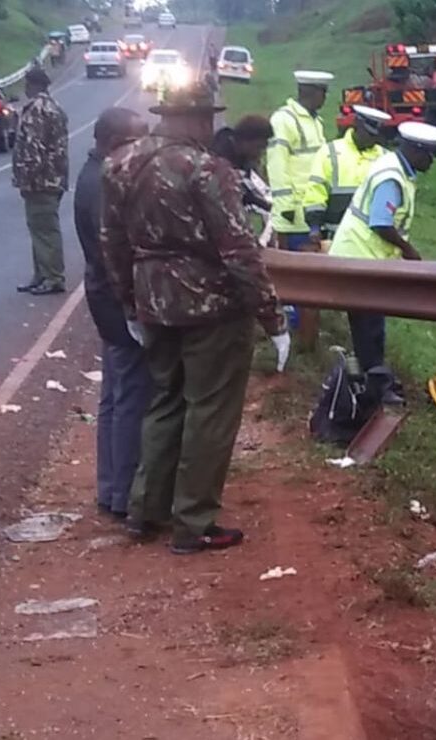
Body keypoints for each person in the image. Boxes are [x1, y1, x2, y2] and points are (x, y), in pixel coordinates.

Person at [101, 82, 291, 554]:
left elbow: (113, 242)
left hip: (153, 302)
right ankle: (194, 522)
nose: (212, 126)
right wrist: (272, 317)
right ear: (196, 119)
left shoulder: (119, 163)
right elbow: (238, 250)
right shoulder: (208, 169)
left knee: (165, 401)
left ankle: (146, 510)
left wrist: (129, 300)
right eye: (208, 117)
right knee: (210, 410)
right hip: (212, 308)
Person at [328, 121, 436, 401]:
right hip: (360, 258)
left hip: (363, 258)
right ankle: (375, 388)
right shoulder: (391, 177)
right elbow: (381, 223)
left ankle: (374, 377)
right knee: (369, 326)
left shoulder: (394, 166)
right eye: (429, 155)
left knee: (369, 324)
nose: (431, 161)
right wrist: (408, 249)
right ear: (416, 150)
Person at [76, 107, 152, 521]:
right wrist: (136, 308)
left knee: (113, 397)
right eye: (133, 141)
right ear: (109, 143)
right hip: (119, 303)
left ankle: (110, 490)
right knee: (131, 399)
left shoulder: (94, 174)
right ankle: (124, 494)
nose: (140, 149)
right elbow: (115, 254)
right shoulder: (106, 184)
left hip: (104, 300)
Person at [13, 66, 70, 296]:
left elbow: (33, 149)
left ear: (33, 85)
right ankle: (42, 274)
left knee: (45, 230)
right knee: (39, 229)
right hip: (54, 178)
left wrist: (27, 179)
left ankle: (53, 277)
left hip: (41, 181)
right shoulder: (54, 107)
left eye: (27, 84)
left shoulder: (36, 109)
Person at [267, 70, 332, 252]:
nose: (325, 98)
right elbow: (277, 165)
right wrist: (285, 207)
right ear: (308, 92)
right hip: (293, 216)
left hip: (312, 212)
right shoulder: (284, 120)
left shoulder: (316, 121)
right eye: (322, 92)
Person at [303, 105, 390, 239]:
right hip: (335, 236)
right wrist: (315, 228)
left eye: (376, 136)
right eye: (369, 134)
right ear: (357, 125)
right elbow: (315, 192)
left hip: (371, 239)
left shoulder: (385, 158)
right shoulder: (329, 152)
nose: (373, 140)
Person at [213, 116, 276, 245]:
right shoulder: (219, 161)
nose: (260, 153)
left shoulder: (242, 159)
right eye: (259, 148)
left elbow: (244, 191)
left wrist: (265, 205)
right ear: (246, 142)